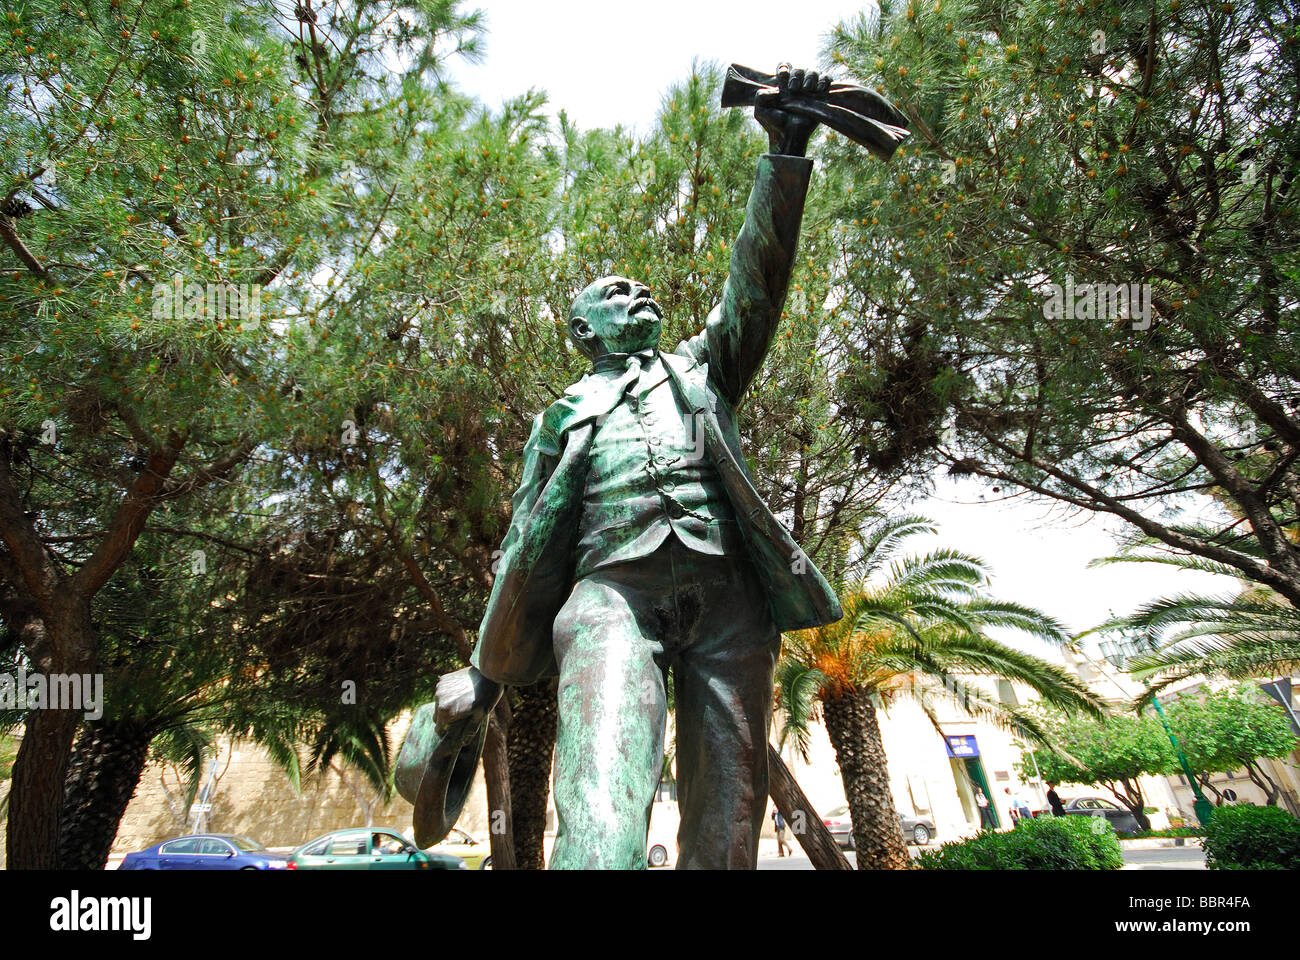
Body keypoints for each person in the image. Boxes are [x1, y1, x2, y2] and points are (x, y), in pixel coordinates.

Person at [433, 67, 851, 870]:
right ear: (583, 329)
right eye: (619, 293)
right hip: (610, 599)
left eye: (644, 288)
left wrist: (787, 148)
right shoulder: (560, 414)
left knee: (728, 815)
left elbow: (756, 285)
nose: (641, 292)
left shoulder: (704, 369)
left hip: (731, 599)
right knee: (597, 797)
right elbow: (524, 543)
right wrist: (487, 677)